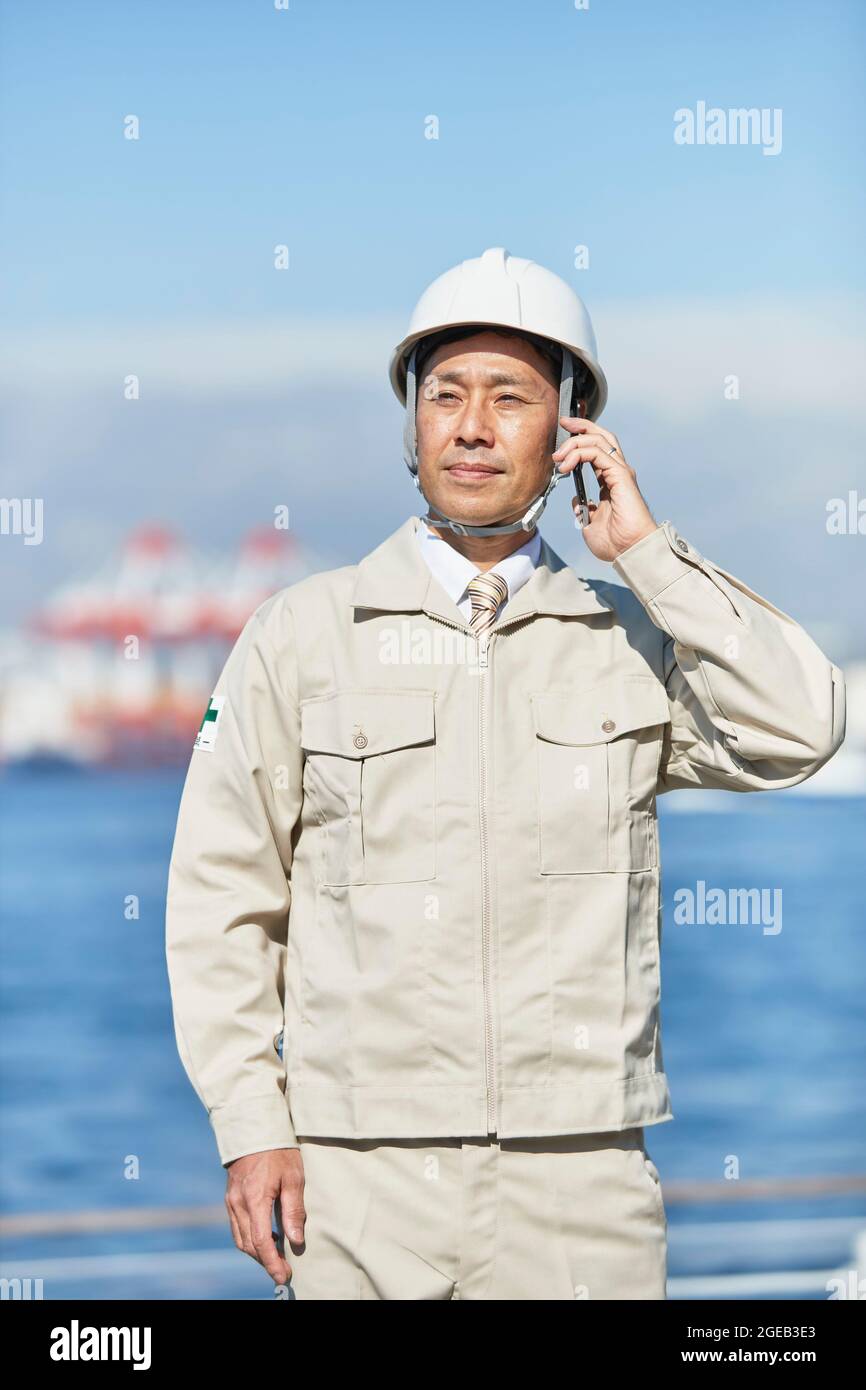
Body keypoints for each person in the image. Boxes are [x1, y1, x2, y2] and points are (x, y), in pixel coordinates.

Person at [165, 247, 846, 1300]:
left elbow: (802, 724)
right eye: (444, 395)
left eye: (510, 397)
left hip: (581, 1183)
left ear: (570, 427)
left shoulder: (627, 637)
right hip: (357, 1182)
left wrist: (648, 554)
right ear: (411, 423)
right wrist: (252, 1125)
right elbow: (220, 899)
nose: (471, 426)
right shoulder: (302, 635)